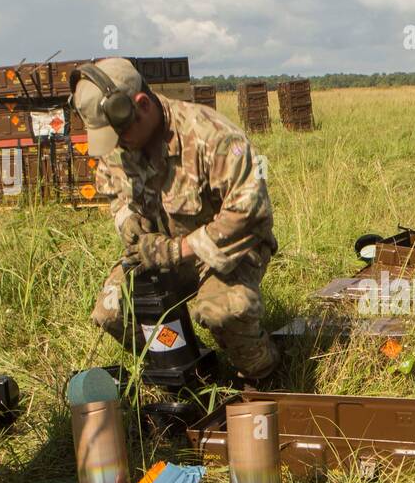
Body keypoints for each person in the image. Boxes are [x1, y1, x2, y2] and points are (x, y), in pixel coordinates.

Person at [70, 58, 280, 381]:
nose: (118, 145)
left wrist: (176, 250)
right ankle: (189, 365)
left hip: (227, 253)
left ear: (140, 105)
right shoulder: (119, 142)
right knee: (111, 312)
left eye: (120, 135)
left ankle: (263, 371)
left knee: (223, 311)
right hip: (156, 253)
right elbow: (116, 194)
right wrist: (127, 220)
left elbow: (249, 214)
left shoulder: (216, 138)